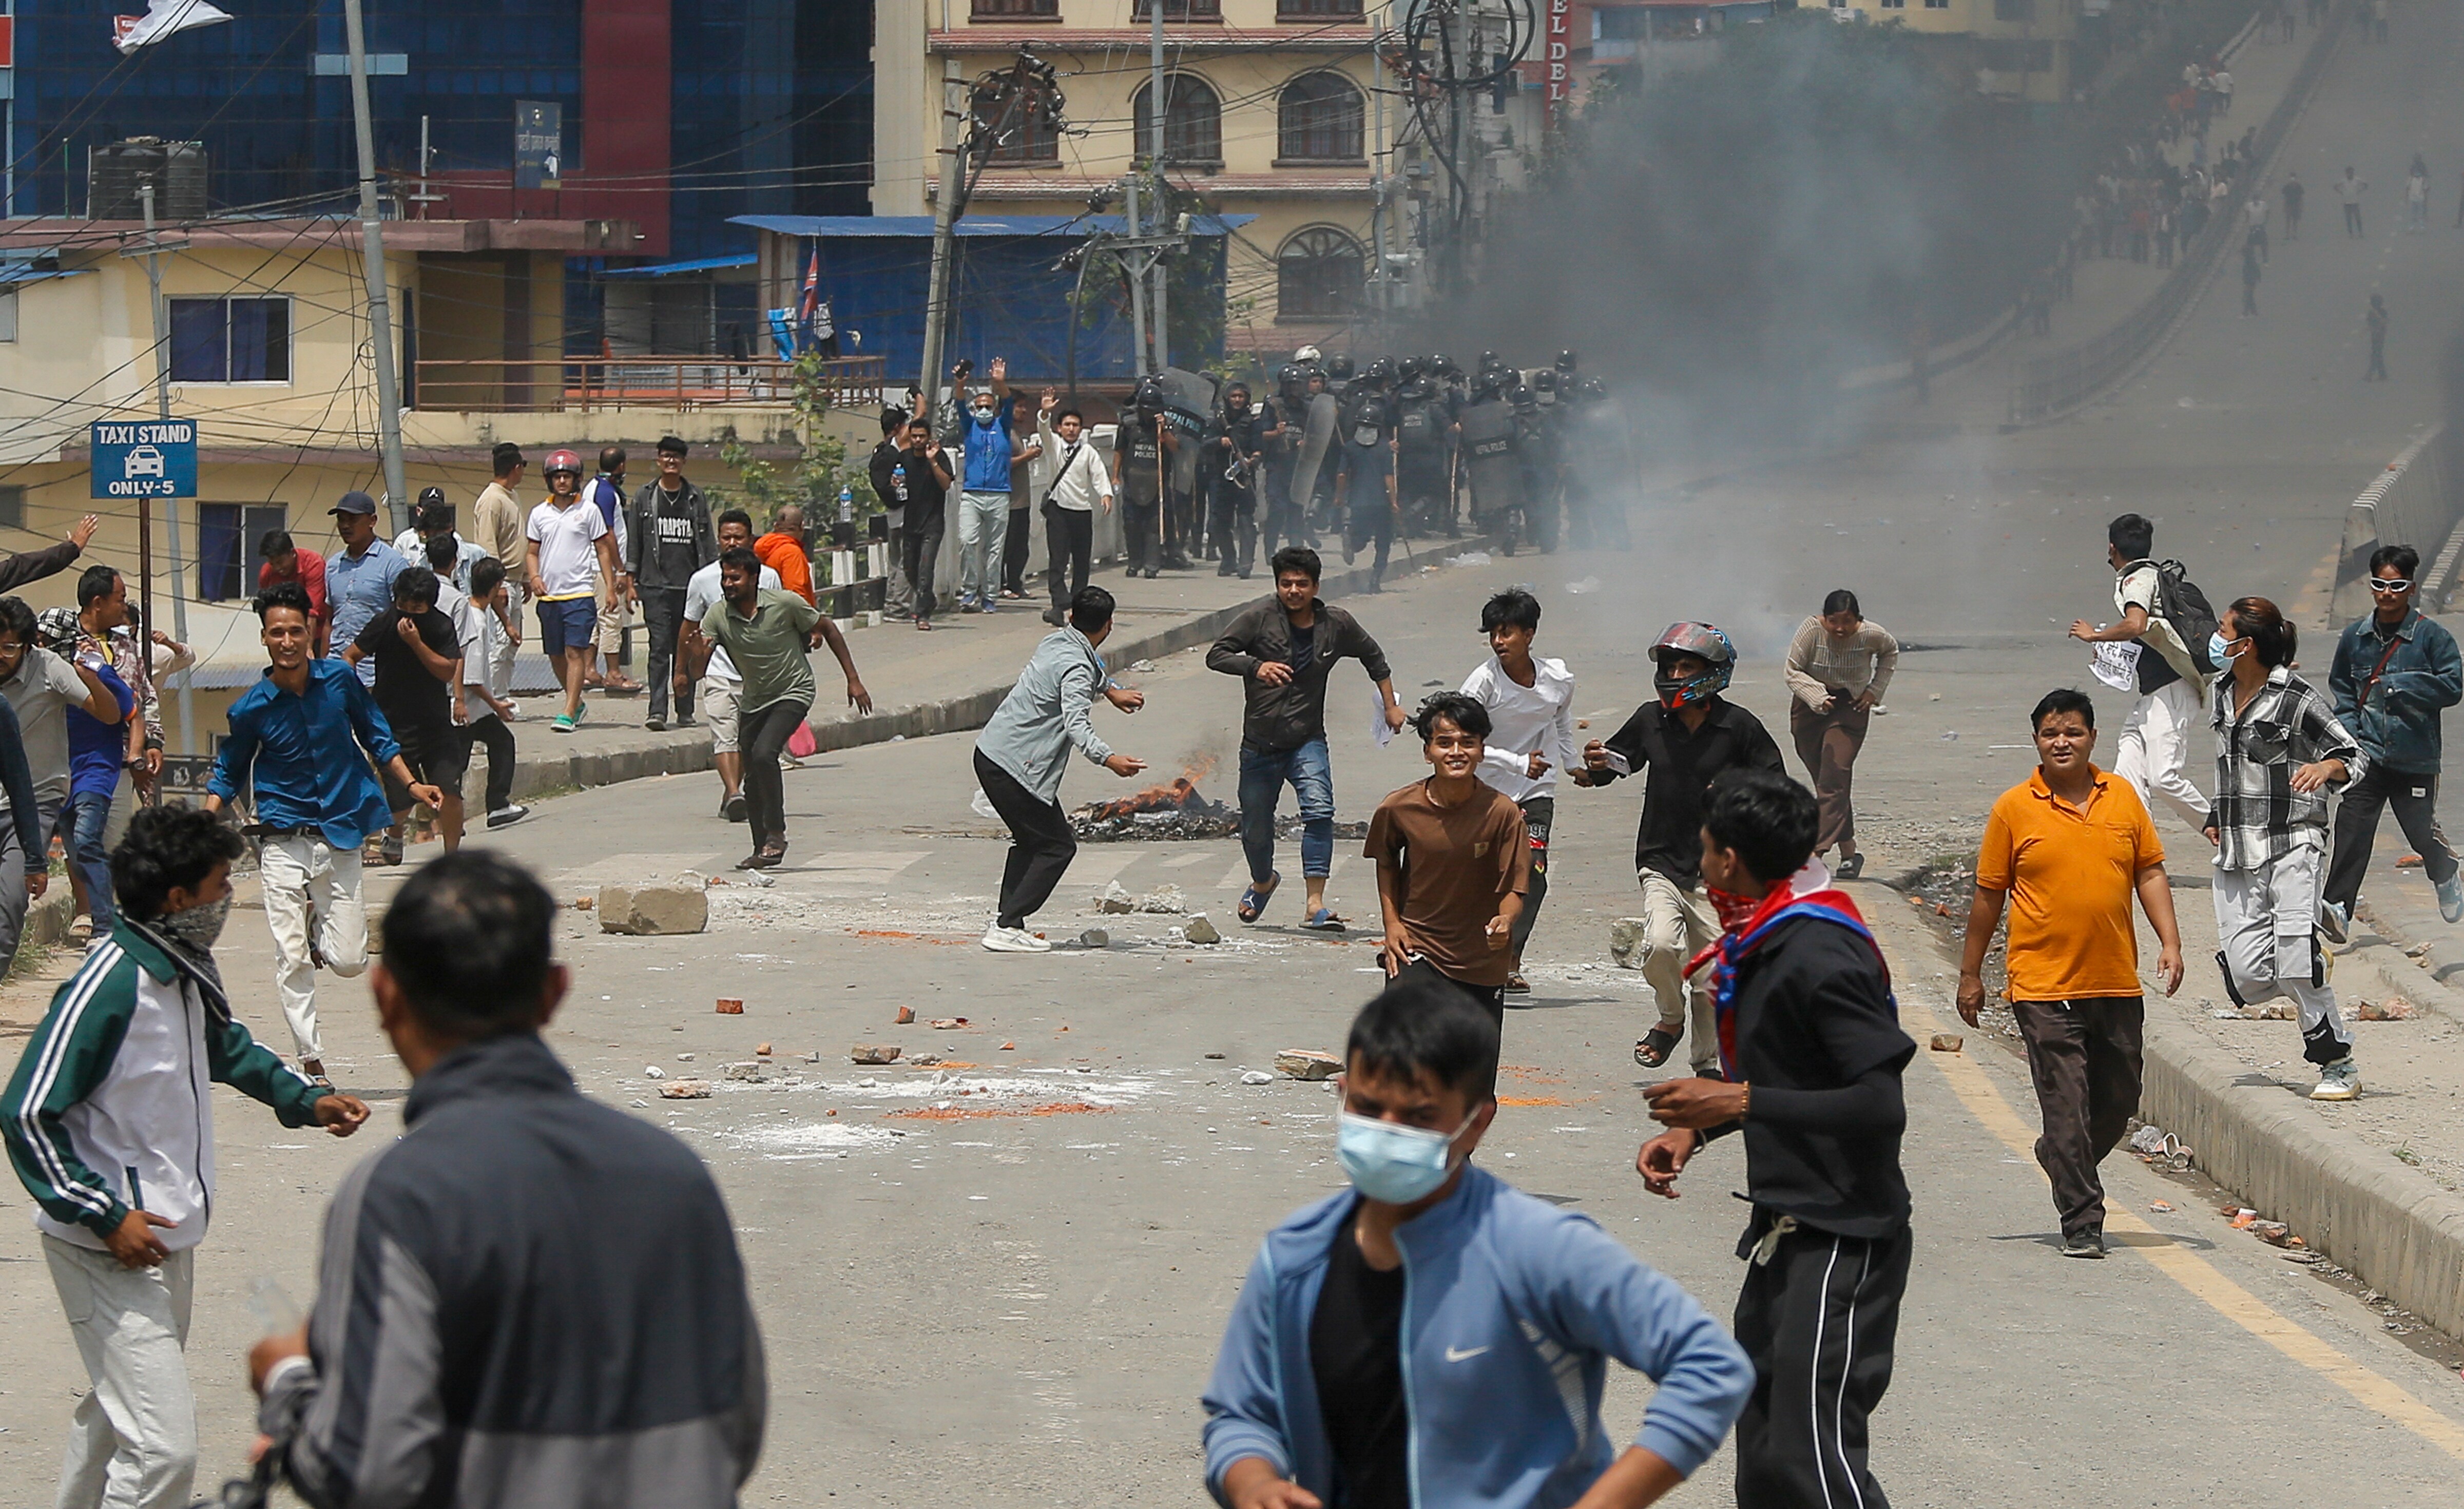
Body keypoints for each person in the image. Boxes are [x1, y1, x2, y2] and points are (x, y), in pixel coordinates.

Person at [249, 851, 765, 1508]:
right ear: (554, 991)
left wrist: (289, 1382)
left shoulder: (400, 1195)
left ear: (385, 996)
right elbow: (737, 1431)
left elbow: (368, 1471)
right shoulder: (674, 1174)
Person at [1202, 974, 1753, 1509]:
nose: (1389, 1130)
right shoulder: (1297, 1258)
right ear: (1343, 1094)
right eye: (1369, 1108)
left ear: (1476, 1124)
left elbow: (1709, 1367)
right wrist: (1253, 1484)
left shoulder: (1536, 1250)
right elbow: (1242, 1416)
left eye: (1419, 1117)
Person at [1, 802, 370, 1509]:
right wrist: (105, 1216)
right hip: (106, 1246)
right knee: (163, 1452)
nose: (229, 897)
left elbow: (223, 1046)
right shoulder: (109, 985)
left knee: (118, 1420)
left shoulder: (180, 965)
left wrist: (305, 1099)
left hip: (167, 1237)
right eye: (219, 885)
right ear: (178, 900)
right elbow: (25, 1111)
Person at [1633, 770, 1912, 1509]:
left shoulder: (1820, 951)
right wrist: (1700, 1129)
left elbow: (1879, 1103)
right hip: (1785, 1224)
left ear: (1728, 860)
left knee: (1809, 1446)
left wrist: (1738, 1097)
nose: (1700, 864)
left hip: (1842, 1235)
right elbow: (1793, 1071)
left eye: (1704, 849)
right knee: (1761, 1441)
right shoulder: (1760, 942)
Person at [1958, 689, 2184, 1258]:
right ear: (2036, 741)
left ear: (2092, 738)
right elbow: (1989, 896)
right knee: (2066, 1103)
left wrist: (2172, 943)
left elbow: (2149, 872)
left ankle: (2061, 1154)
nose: (2063, 742)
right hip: (2042, 985)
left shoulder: (2124, 799)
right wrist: (1971, 974)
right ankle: (2082, 1220)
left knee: (2119, 1098)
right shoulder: (2014, 808)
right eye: (2051, 734)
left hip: (2115, 981)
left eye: (2074, 732)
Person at [205, 584, 444, 1081]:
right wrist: (205, 820)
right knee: (290, 954)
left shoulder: (339, 680)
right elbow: (228, 769)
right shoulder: (252, 707)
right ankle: (310, 1058)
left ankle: (322, 929)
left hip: (341, 831)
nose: (288, 641)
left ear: (312, 630)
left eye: (296, 630)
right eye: (278, 633)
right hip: (282, 838)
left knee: (351, 960)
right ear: (266, 639)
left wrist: (413, 785)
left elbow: (377, 735)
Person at [1581, 623, 1785, 1075]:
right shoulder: (1650, 718)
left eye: (1686, 665)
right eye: (1670, 665)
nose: (1675, 673)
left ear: (1713, 672)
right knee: (1658, 947)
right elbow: (1620, 761)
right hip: (1661, 860)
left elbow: (1776, 783)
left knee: (1713, 979)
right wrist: (1594, 768)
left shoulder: (1740, 727)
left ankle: (1705, 1063)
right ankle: (1670, 1019)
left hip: (1717, 874)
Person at [2207, 596, 2367, 1101]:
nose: (2216, 637)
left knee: (2298, 965)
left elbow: (2353, 754)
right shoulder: (2219, 692)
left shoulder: (2295, 699)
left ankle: (2337, 1062)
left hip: (2294, 838)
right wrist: (2218, 812)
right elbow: (2232, 766)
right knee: (2250, 980)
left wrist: (2326, 769)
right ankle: (2314, 917)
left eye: (2224, 629)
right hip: (2239, 846)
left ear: (2246, 644)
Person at [1209, 548, 1407, 932]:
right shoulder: (1258, 618)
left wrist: (1390, 706)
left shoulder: (1336, 624)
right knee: (1256, 829)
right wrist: (1256, 666)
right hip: (1259, 745)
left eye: (1302, 584)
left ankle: (1314, 904)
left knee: (1319, 813)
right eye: (1287, 583)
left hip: (1307, 740)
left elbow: (1375, 658)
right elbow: (1218, 655)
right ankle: (1263, 881)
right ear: (1278, 585)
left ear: (1316, 587)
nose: (1294, 590)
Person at [973, 585, 1146, 951]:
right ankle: (1006, 925)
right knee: (1057, 846)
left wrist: (1111, 689)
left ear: (1071, 617)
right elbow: (1076, 724)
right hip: (1015, 767)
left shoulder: (1057, 641)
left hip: (994, 754)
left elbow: (1088, 662)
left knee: (1031, 841)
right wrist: (1108, 758)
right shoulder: (1078, 670)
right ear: (1109, 625)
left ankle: (1009, 921)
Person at [694, 546, 870, 869]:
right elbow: (697, 666)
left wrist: (853, 680)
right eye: (725, 578)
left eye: (736, 578)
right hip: (754, 699)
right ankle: (761, 848)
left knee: (764, 753)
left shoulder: (784, 603)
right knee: (752, 775)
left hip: (794, 691)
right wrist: (694, 655)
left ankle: (777, 833)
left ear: (754, 579)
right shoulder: (718, 614)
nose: (729, 584)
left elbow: (827, 628)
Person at [2322, 546, 2463, 937]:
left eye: (2396, 585)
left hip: (2415, 757)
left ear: (2411, 588)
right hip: (2368, 755)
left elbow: (2453, 687)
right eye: (2380, 585)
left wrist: (2402, 685)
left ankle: (2445, 870)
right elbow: (2344, 693)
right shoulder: (2355, 638)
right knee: (2352, 828)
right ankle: (2337, 909)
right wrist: (2350, 737)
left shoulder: (2432, 637)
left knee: (2420, 831)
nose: (2387, 593)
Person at [1366, 694, 1531, 1022]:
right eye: (1444, 743)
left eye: (1467, 743)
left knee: (1469, 1070)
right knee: (1408, 1058)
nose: (1456, 753)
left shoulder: (1502, 813)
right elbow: (1385, 861)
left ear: (1482, 750)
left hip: (1481, 962)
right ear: (1428, 752)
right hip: (1416, 949)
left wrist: (1506, 922)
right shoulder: (1398, 808)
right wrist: (1392, 924)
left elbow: (1515, 886)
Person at [1458, 588, 1576, 995]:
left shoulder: (1558, 680)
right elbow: (1462, 742)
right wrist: (1516, 762)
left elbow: (1560, 720)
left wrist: (1573, 763)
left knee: (1534, 873)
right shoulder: (1481, 684)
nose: (1498, 641)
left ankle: (1510, 959)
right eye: (1493, 633)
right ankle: (1471, 951)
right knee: (1481, 875)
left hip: (1535, 794)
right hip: (1485, 793)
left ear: (1529, 634)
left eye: (1507, 632)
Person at [2069, 513, 2212, 831]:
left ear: (2112, 548)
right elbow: (2144, 636)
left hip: (2174, 689)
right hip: (2153, 695)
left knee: (2163, 778)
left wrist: (2095, 636)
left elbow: (2136, 624)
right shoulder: (2152, 575)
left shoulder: (2138, 579)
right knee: (2127, 777)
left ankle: (2221, 829)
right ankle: (2141, 856)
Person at [0, 597, 122, 964]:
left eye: (8, 648)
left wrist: (90, 680)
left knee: (10, 899)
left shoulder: (50, 668)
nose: (0, 657)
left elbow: (109, 712)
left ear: (28, 645)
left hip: (33, 803)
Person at [344, 566, 468, 854]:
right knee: (402, 800)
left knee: (450, 792)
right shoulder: (385, 622)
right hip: (393, 725)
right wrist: (355, 697)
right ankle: (395, 830)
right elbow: (350, 655)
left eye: (417, 608)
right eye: (404, 606)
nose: (409, 615)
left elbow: (447, 671)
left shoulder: (440, 626)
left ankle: (452, 859)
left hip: (436, 724)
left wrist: (416, 644)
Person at [1781, 590, 1896, 880]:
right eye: (1834, 622)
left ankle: (1814, 854)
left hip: (1851, 707)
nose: (1841, 629)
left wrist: (1874, 690)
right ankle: (1849, 852)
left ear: (1859, 619)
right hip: (1811, 707)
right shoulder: (1812, 630)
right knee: (1829, 782)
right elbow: (1792, 671)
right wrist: (1816, 695)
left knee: (1834, 776)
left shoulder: (1872, 634)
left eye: (1847, 622)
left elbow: (1890, 653)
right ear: (1825, 618)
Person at [682, 511, 786, 824]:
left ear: (750, 540)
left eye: (738, 537)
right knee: (724, 735)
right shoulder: (702, 580)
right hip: (719, 671)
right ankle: (733, 792)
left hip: (759, 676)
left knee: (747, 741)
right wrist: (681, 672)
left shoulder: (768, 578)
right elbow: (688, 627)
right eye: (726, 537)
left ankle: (734, 792)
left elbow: (779, 621)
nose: (731, 543)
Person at [44, 605, 134, 941]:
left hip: (96, 771)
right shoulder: (38, 673)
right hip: (59, 776)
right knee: (77, 852)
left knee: (87, 841)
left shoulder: (94, 668)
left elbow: (128, 709)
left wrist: (92, 681)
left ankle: (104, 925)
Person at [625, 434, 718, 732]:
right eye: (666, 456)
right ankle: (657, 711)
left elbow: (707, 541)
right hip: (655, 586)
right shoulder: (644, 496)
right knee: (659, 648)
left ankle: (686, 708)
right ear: (658, 460)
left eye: (676, 457)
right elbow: (635, 542)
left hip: (691, 587)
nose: (671, 461)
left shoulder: (695, 497)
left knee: (689, 647)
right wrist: (630, 581)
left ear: (684, 462)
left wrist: (713, 580)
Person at [526, 449, 620, 736]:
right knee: (555, 655)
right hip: (549, 597)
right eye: (558, 477)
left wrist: (611, 588)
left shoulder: (588, 511)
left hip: (579, 594)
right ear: (549, 481)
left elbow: (603, 549)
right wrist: (534, 576)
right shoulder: (539, 513)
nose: (563, 482)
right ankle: (575, 701)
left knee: (574, 652)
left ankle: (567, 712)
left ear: (576, 479)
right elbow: (532, 551)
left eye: (567, 476)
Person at [457, 556, 528, 830]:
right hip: (468, 707)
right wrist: (496, 704)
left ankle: (497, 804)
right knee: (458, 764)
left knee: (501, 743)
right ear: (497, 587)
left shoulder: (470, 610)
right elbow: (473, 678)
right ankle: (453, 815)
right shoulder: (478, 623)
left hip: (477, 708)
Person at [1037, 394, 1113, 626]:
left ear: (1081, 429)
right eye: (1067, 425)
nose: (1071, 429)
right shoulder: (1054, 446)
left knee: (1081, 561)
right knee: (1058, 560)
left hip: (1082, 511)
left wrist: (1106, 494)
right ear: (1060, 428)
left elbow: (1099, 474)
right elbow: (1043, 430)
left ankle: (1079, 606)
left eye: (1076, 425)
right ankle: (1059, 605)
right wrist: (1045, 413)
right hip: (1058, 510)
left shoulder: (1088, 451)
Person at [954, 359, 1021, 613]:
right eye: (979, 406)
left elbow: (1009, 402)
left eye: (987, 407)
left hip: (999, 495)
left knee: (995, 549)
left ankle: (990, 595)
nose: (983, 410)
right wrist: (961, 382)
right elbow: (960, 401)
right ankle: (970, 589)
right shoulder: (970, 426)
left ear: (994, 409)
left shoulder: (1001, 428)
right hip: (972, 494)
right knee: (967, 541)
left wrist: (1000, 383)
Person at [323, 490, 407, 689]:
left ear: (372, 521)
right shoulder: (334, 565)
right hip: (336, 671)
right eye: (341, 520)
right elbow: (329, 620)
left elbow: (402, 619)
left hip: (376, 674)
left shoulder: (393, 564)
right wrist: (323, 663)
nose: (345, 526)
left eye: (352, 519)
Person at [583, 446, 644, 698]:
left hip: (592, 566)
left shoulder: (592, 487)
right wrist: (620, 569)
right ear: (621, 466)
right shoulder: (606, 493)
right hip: (603, 567)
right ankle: (614, 674)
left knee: (594, 623)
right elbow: (608, 534)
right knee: (611, 619)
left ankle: (588, 671)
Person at [895, 416, 954, 629]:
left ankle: (923, 615)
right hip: (911, 523)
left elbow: (946, 484)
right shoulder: (904, 458)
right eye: (914, 437)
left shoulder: (939, 457)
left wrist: (933, 461)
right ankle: (928, 599)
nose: (918, 440)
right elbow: (898, 489)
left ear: (929, 438)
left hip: (933, 523)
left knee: (925, 569)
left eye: (922, 436)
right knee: (911, 569)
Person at [1336, 393, 1398, 589]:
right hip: (1381, 503)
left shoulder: (1349, 448)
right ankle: (1375, 581)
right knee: (1383, 542)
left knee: (1361, 539)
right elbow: (1389, 477)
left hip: (1357, 502)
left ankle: (1351, 542)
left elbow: (1341, 476)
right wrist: (1394, 502)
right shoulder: (1383, 449)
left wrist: (1339, 497)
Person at [1210, 381, 1270, 579]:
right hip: (1221, 476)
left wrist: (1252, 460)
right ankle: (1228, 560)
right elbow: (1204, 445)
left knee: (1245, 520)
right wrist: (1220, 442)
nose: (1237, 400)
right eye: (1234, 396)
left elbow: (1259, 449)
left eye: (1241, 396)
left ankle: (1246, 563)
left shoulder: (1253, 423)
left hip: (1244, 478)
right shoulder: (1218, 421)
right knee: (1220, 522)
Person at [1113, 380, 1171, 580]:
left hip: (1157, 483)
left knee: (1154, 525)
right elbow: (1119, 451)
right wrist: (1115, 476)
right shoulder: (1129, 425)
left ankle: (1152, 565)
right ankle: (1134, 562)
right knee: (1131, 524)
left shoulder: (1166, 425)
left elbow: (1175, 448)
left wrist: (1164, 430)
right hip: (1133, 480)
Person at [471, 441, 530, 628]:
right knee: (498, 649)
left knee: (510, 649)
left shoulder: (512, 496)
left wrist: (526, 577)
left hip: (515, 581)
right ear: (517, 468)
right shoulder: (491, 500)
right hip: (500, 584)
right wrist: (498, 585)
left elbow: (517, 540)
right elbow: (487, 546)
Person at [870, 407, 916, 618]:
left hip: (892, 514)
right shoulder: (898, 446)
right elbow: (921, 414)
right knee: (908, 561)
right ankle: (898, 608)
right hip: (906, 514)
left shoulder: (880, 449)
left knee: (895, 562)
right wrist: (919, 397)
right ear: (899, 427)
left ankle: (890, 606)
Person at [257, 529, 330, 656]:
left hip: (316, 634)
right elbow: (267, 612)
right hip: (284, 636)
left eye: (280, 562)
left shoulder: (313, 564)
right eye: (272, 563)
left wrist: (307, 648)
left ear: (292, 553)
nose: (277, 568)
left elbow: (312, 612)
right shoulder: (266, 573)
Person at [1004, 389, 1040, 600]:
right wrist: (1026, 457)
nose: (1024, 411)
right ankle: (1003, 585)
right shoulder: (1003, 433)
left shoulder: (1017, 432)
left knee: (1020, 547)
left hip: (1022, 500)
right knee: (1007, 547)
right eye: (1020, 406)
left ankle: (1016, 584)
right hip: (1009, 501)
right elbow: (1002, 464)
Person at [753, 504, 817, 607]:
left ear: (775, 526)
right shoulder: (792, 553)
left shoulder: (764, 549)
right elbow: (796, 594)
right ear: (802, 526)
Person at [2336, 166, 2367, 236]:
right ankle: (2351, 233)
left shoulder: (2357, 180)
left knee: (2358, 219)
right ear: (2346, 173)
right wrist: (2341, 192)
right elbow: (2336, 186)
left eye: (2351, 173)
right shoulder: (2343, 181)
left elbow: (2365, 185)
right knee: (2349, 219)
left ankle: (2360, 232)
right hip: (2347, 203)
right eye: (2349, 173)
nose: (2350, 174)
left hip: (2355, 202)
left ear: (2353, 173)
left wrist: (2360, 191)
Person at [2365, 294, 2390, 381]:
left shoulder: (2381, 312)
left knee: (2376, 355)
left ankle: (2370, 375)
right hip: (2375, 336)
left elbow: (2383, 324)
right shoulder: (2374, 313)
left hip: (2379, 337)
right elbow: (2370, 324)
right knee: (2378, 355)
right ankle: (2382, 375)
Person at [2239, 239, 2261, 316]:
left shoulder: (2249, 260)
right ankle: (2254, 311)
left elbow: (2254, 269)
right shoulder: (2250, 259)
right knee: (2250, 296)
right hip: (2250, 280)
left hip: (2250, 280)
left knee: (2247, 296)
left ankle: (2246, 313)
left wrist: (2257, 277)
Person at [2282, 171, 2304, 239]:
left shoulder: (2298, 186)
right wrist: (2285, 206)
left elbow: (2301, 196)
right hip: (2289, 204)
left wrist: (2301, 206)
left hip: (2296, 204)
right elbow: (2285, 196)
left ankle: (2294, 234)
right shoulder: (2287, 186)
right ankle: (2287, 235)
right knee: (2288, 220)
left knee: (2295, 220)